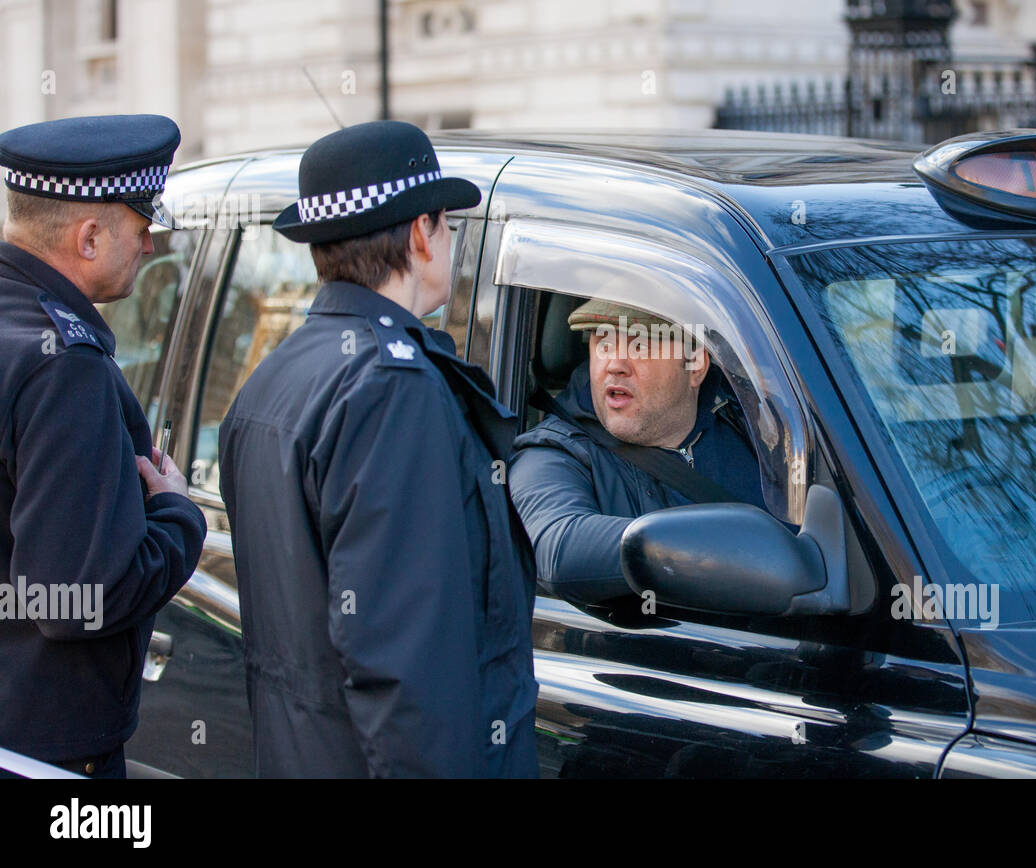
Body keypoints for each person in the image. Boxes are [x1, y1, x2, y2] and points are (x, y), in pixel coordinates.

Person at [218, 120, 537, 778]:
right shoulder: (393, 388)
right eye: (447, 224)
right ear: (422, 233)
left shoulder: (273, 379)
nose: (449, 240)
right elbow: (407, 669)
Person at [0, 114, 206, 778]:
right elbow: (75, 596)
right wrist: (178, 515)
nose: (150, 248)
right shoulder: (65, 365)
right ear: (89, 237)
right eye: (142, 230)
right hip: (48, 753)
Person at [510, 300, 767, 605]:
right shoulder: (553, 452)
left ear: (695, 363)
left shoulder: (756, 425)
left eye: (641, 344)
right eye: (603, 342)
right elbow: (557, 547)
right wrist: (726, 549)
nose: (615, 363)